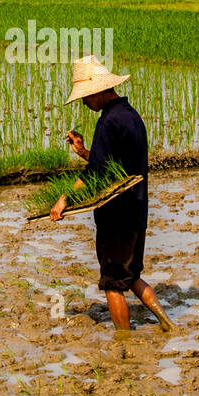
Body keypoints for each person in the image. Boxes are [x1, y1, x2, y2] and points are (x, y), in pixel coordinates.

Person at [49, 55, 173, 333]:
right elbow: (111, 167)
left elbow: (95, 173)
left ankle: (124, 341)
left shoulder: (107, 122)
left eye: (85, 97)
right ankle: (167, 323)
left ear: (98, 91)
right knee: (130, 276)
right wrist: (83, 152)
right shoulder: (130, 117)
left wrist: (64, 199)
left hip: (116, 217)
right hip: (137, 212)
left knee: (112, 284)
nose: (84, 102)